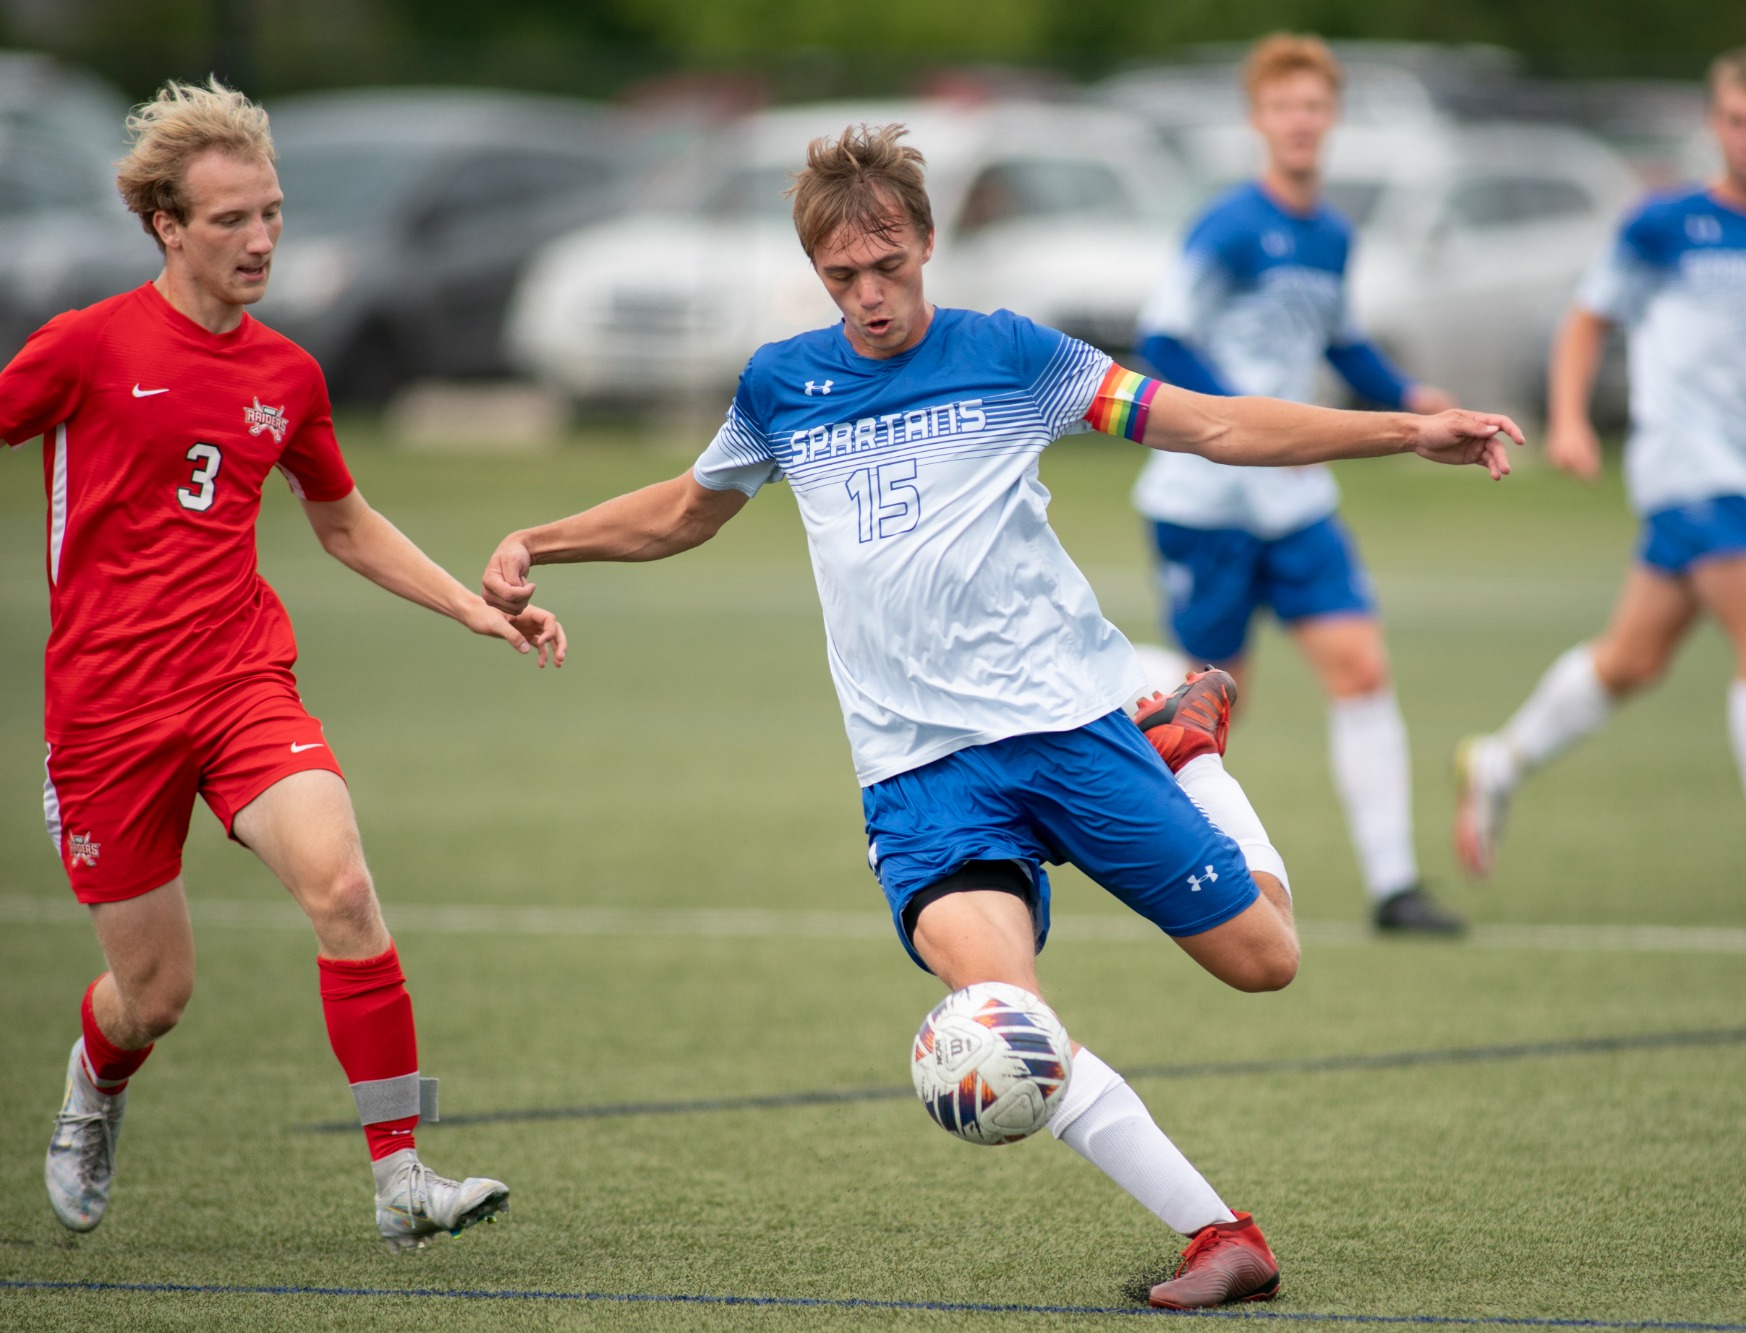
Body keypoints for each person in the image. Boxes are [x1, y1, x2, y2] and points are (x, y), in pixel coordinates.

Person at [481, 123, 1518, 1308]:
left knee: (1265, 961)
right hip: (920, 776)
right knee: (1003, 1021)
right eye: (841, 278)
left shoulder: (1014, 355)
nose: (869, 298)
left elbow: (1214, 424)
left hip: (1070, 726)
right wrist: (536, 542)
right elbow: (683, 509)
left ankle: (1185, 756)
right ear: (815, 273)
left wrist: (1406, 429)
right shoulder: (781, 384)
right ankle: (1220, 1236)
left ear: (929, 241)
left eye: (888, 268)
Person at [6, 79, 566, 1251]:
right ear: (165, 224)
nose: (260, 238)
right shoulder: (87, 347)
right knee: (154, 996)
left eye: (270, 212)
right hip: (104, 715)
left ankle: (400, 1177)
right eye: (229, 220)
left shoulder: (287, 375)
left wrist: (475, 608)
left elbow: (344, 521)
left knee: (345, 887)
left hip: (240, 685)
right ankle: (93, 1090)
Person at [1453, 47, 1746, 902]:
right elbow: (1586, 320)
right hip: (1688, 461)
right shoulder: (1663, 224)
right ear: (1715, 126)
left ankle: (1500, 759)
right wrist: (1570, 420)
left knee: (1632, 660)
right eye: (1737, 122)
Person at [1131, 34, 1463, 934]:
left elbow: (1341, 341)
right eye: (1285, 107)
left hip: (1298, 499)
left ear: (1332, 118)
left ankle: (1395, 887)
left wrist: (1408, 398)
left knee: (1361, 668)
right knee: (1206, 697)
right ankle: (1112, 706)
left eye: (1315, 106)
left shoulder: (1331, 235)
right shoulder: (1229, 227)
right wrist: (1238, 420)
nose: (1301, 122)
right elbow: (1161, 338)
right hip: (1208, 503)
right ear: (1258, 120)